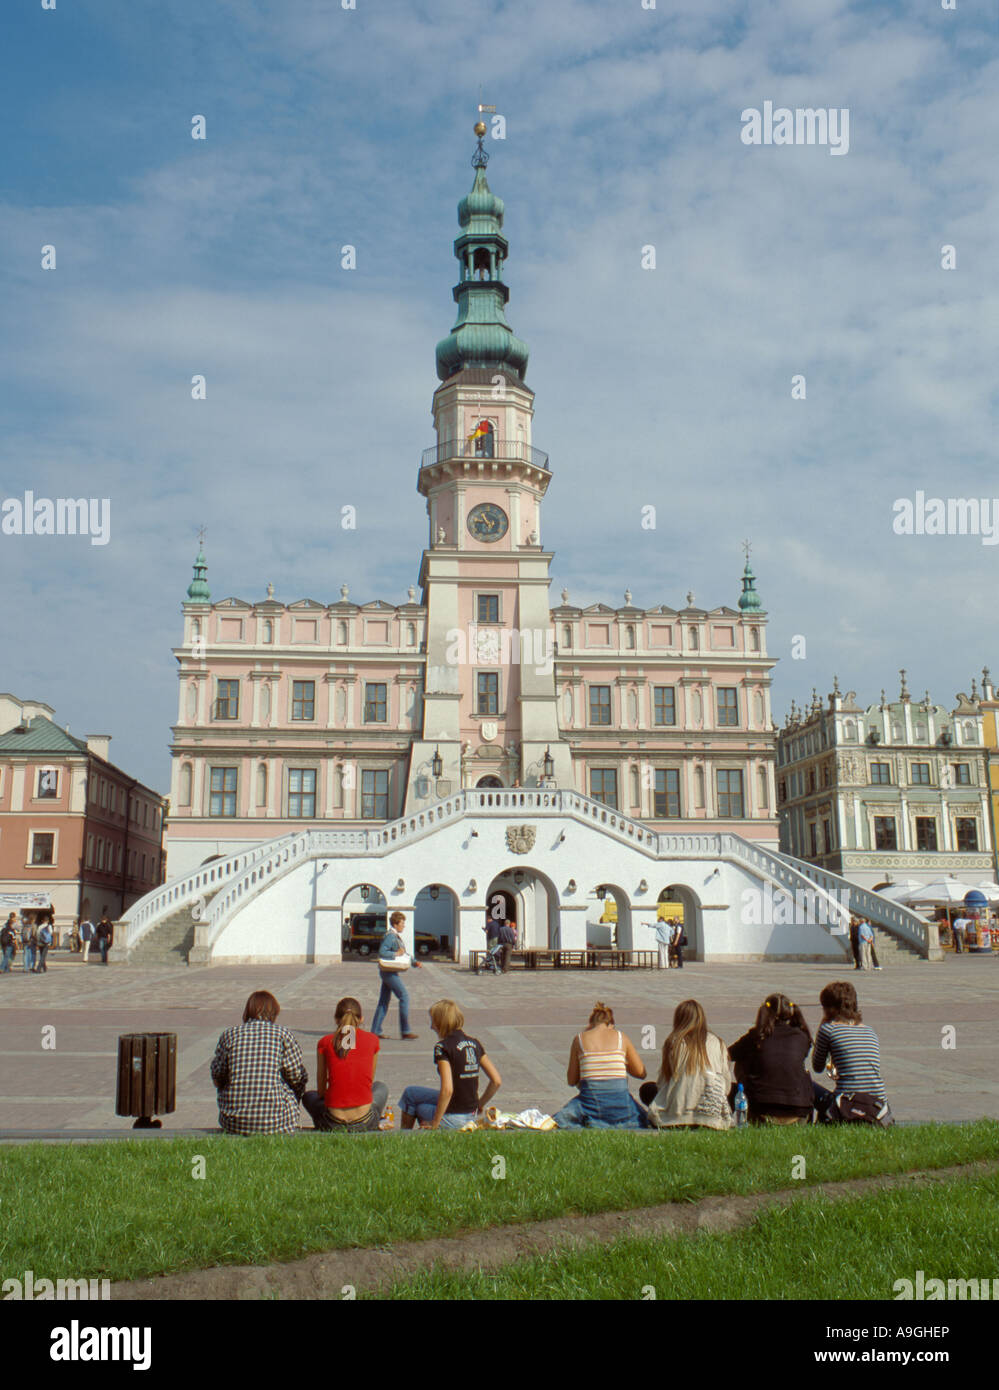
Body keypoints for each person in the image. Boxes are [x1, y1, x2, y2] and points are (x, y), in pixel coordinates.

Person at [210, 989, 308, 1134]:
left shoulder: (230, 1035)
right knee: (301, 1075)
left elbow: (218, 1075)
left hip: (233, 1122)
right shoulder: (283, 1035)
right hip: (277, 1121)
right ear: (274, 1012)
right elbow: (295, 1075)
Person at [399, 999, 501, 1130]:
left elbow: (447, 1090)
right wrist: (479, 1105)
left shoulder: (443, 1047)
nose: (431, 1027)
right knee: (411, 1093)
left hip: (454, 1117)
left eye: (433, 1022)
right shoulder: (475, 1043)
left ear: (441, 1022)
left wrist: (435, 1123)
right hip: (470, 1113)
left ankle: (405, 1136)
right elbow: (496, 1081)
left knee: (418, 1107)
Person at [552, 1001, 648, 1129]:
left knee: (562, 1118)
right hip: (621, 1106)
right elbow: (641, 1073)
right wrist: (621, 1063)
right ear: (611, 1025)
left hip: (590, 1103)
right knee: (641, 1115)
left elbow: (571, 1080)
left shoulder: (580, 1039)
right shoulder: (621, 1037)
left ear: (590, 1024)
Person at [642, 999, 733, 1130]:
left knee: (647, 1089)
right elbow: (726, 1085)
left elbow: (663, 1083)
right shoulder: (719, 1043)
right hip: (712, 1116)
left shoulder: (674, 1042)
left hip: (677, 1117)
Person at [302, 996, 388, 1133]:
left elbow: (321, 1090)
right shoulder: (372, 1040)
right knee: (381, 1087)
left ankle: (322, 1124)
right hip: (365, 1119)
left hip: (333, 1120)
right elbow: (369, 1081)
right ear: (361, 1019)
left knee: (308, 1096)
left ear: (336, 1019)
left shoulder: (325, 1042)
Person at [727, 992, 814, 1123]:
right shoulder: (802, 1036)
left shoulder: (756, 1035)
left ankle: (742, 1115)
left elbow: (729, 1054)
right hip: (798, 1108)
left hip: (761, 1106)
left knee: (743, 1060)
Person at [810, 980, 888, 1123]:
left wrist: (822, 1025)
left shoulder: (829, 1029)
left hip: (847, 1103)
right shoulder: (869, 1030)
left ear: (828, 1009)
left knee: (806, 1084)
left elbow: (817, 1066)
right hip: (878, 1102)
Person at [371, 911, 419, 1040]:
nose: (404, 926)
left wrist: (414, 962)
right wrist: (395, 954)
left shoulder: (394, 936)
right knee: (404, 996)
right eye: (402, 923)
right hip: (389, 972)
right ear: (396, 924)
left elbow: (403, 953)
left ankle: (375, 1031)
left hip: (388, 971)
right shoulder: (391, 936)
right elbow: (382, 952)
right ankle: (405, 1030)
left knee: (383, 1001)